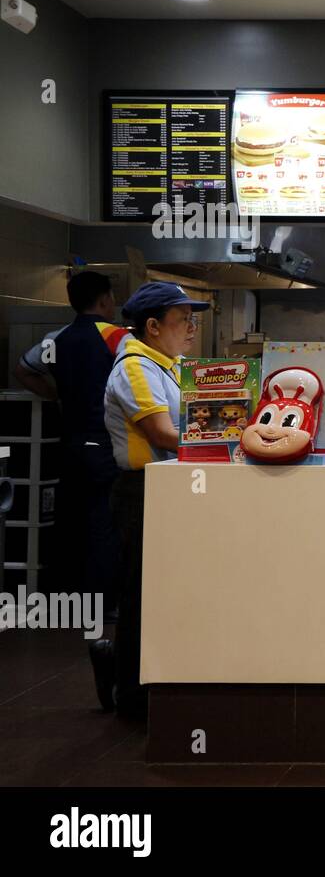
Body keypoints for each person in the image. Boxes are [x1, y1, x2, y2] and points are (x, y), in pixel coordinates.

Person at [13, 271, 132, 710]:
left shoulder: (56, 338)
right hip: (108, 442)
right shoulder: (117, 337)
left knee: (77, 520)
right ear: (105, 298)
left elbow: (23, 370)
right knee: (108, 523)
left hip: (71, 443)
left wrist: (57, 395)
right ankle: (109, 606)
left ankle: (72, 599)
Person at [102, 281, 209, 720]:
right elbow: (162, 434)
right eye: (183, 319)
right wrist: (222, 432)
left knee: (162, 593)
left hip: (170, 488)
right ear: (152, 326)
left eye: (191, 318)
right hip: (142, 491)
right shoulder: (135, 367)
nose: (190, 327)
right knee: (142, 596)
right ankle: (131, 698)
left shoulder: (168, 363)